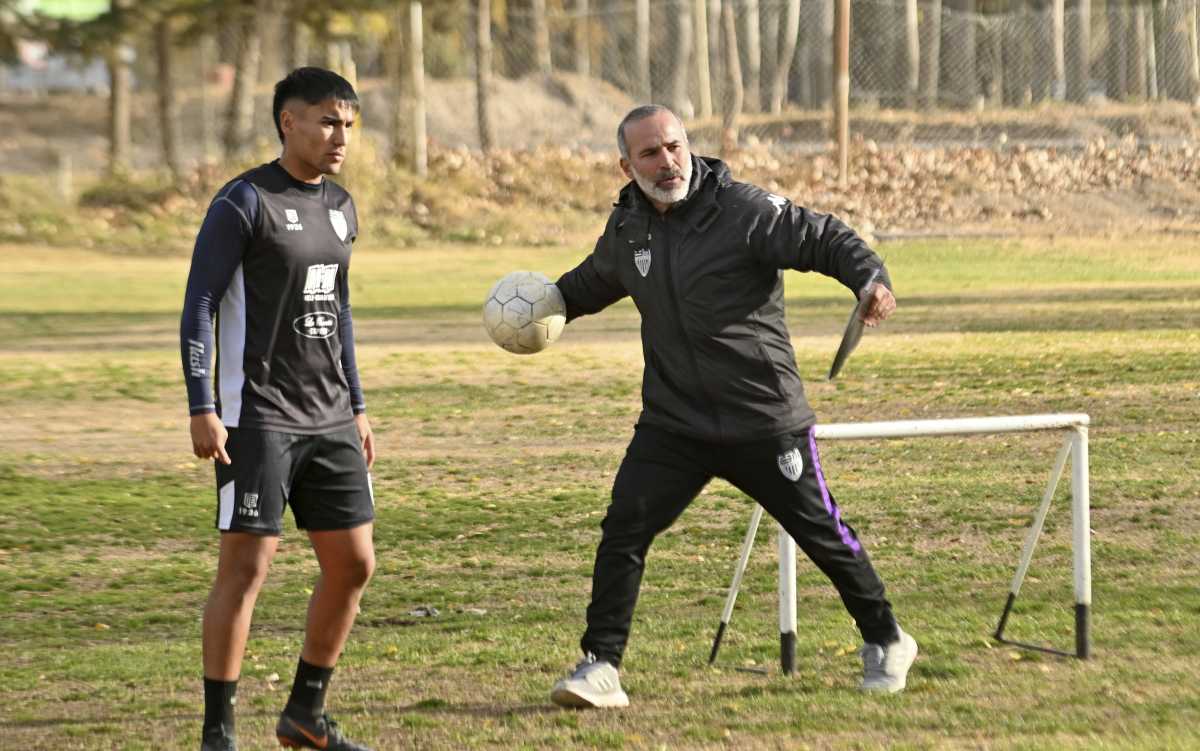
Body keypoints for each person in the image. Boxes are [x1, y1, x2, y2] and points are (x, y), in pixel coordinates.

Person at [549, 105, 916, 709]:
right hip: (674, 423)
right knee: (624, 530)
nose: (666, 161)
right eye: (650, 153)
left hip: (763, 420)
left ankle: (887, 637)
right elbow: (590, 283)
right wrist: (538, 305)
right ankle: (601, 667)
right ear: (626, 165)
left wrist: (870, 277)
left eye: (673, 146)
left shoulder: (744, 210)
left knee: (821, 535)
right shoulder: (628, 229)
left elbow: (824, 237)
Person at [181, 67, 375, 751]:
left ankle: (305, 714)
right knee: (247, 568)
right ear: (287, 121)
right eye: (326, 120)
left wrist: (356, 403)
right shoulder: (244, 202)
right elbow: (200, 305)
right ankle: (219, 732)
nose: (339, 135)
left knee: (354, 563)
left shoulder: (344, 208)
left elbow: (339, 310)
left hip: (329, 417)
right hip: (257, 415)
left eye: (348, 123)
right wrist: (202, 405)